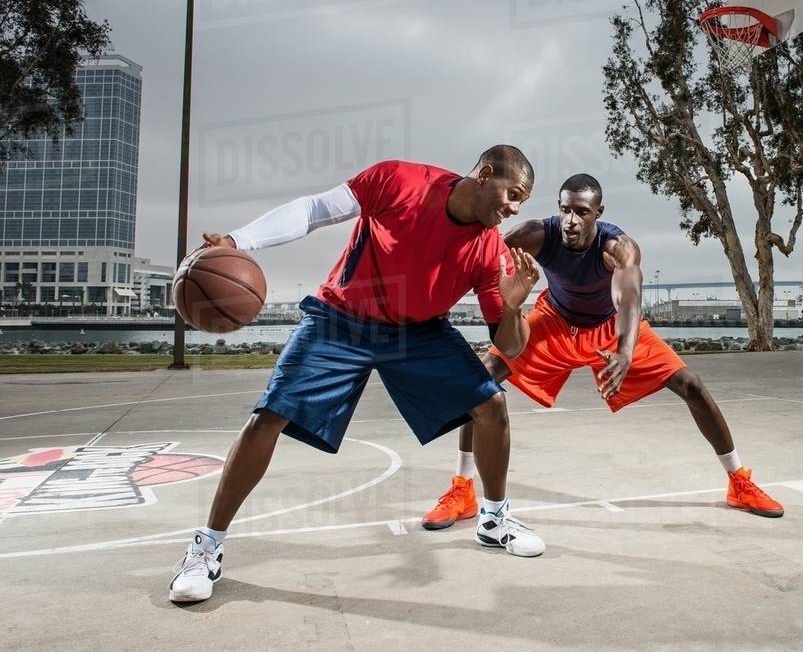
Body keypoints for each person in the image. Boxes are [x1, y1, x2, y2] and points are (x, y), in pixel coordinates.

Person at [169, 146, 545, 604]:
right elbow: (314, 210)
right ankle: (207, 545)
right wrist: (237, 241)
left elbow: (510, 346)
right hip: (342, 318)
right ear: (485, 174)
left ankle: (494, 518)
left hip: (418, 331)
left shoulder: (490, 250)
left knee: (491, 404)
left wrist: (513, 306)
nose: (515, 209)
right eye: (513, 194)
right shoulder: (400, 180)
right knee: (268, 416)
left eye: (522, 202)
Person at [421, 173, 783, 531]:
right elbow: (480, 256)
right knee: (481, 379)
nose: (571, 220)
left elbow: (629, 299)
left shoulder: (618, 248)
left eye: (581, 212)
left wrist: (625, 352)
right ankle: (463, 489)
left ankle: (739, 482)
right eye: (565, 210)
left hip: (609, 327)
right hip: (554, 320)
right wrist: (437, 297)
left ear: (598, 212)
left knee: (691, 384)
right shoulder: (536, 235)